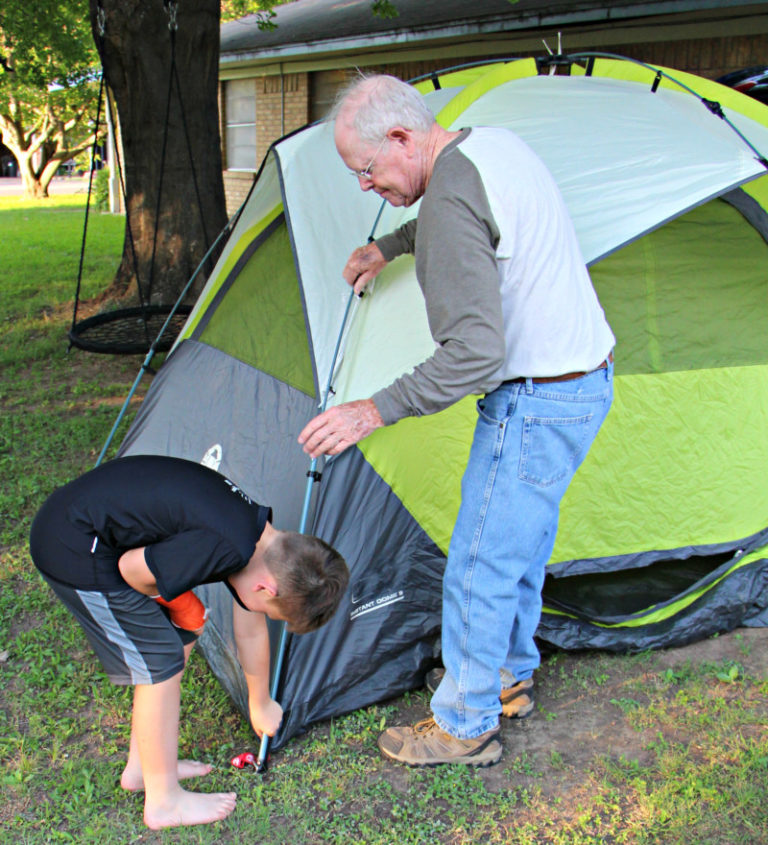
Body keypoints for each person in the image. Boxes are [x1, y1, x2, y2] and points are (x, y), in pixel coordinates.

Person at [298, 74, 615, 767]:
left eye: (367, 169)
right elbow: (464, 212)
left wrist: (370, 410)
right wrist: (391, 245)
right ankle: (505, 674)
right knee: (517, 543)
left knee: (476, 559)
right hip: (583, 382)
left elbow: (474, 355)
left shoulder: (447, 201)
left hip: (535, 400)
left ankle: (464, 721)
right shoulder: (486, 148)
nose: (364, 185)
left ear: (404, 138)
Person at [29, 454, 348, 828]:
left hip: (86, 526)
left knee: (180, 633)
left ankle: (143, 766)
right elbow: (131, 570)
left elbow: (249, 624)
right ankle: (163, 801)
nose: (263, 613)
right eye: (273, 611)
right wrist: (179, 601)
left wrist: (259, 701)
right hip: (74, 547)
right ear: (266, 587)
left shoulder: (262, 539)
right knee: (160, 659)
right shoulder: (223, 545)